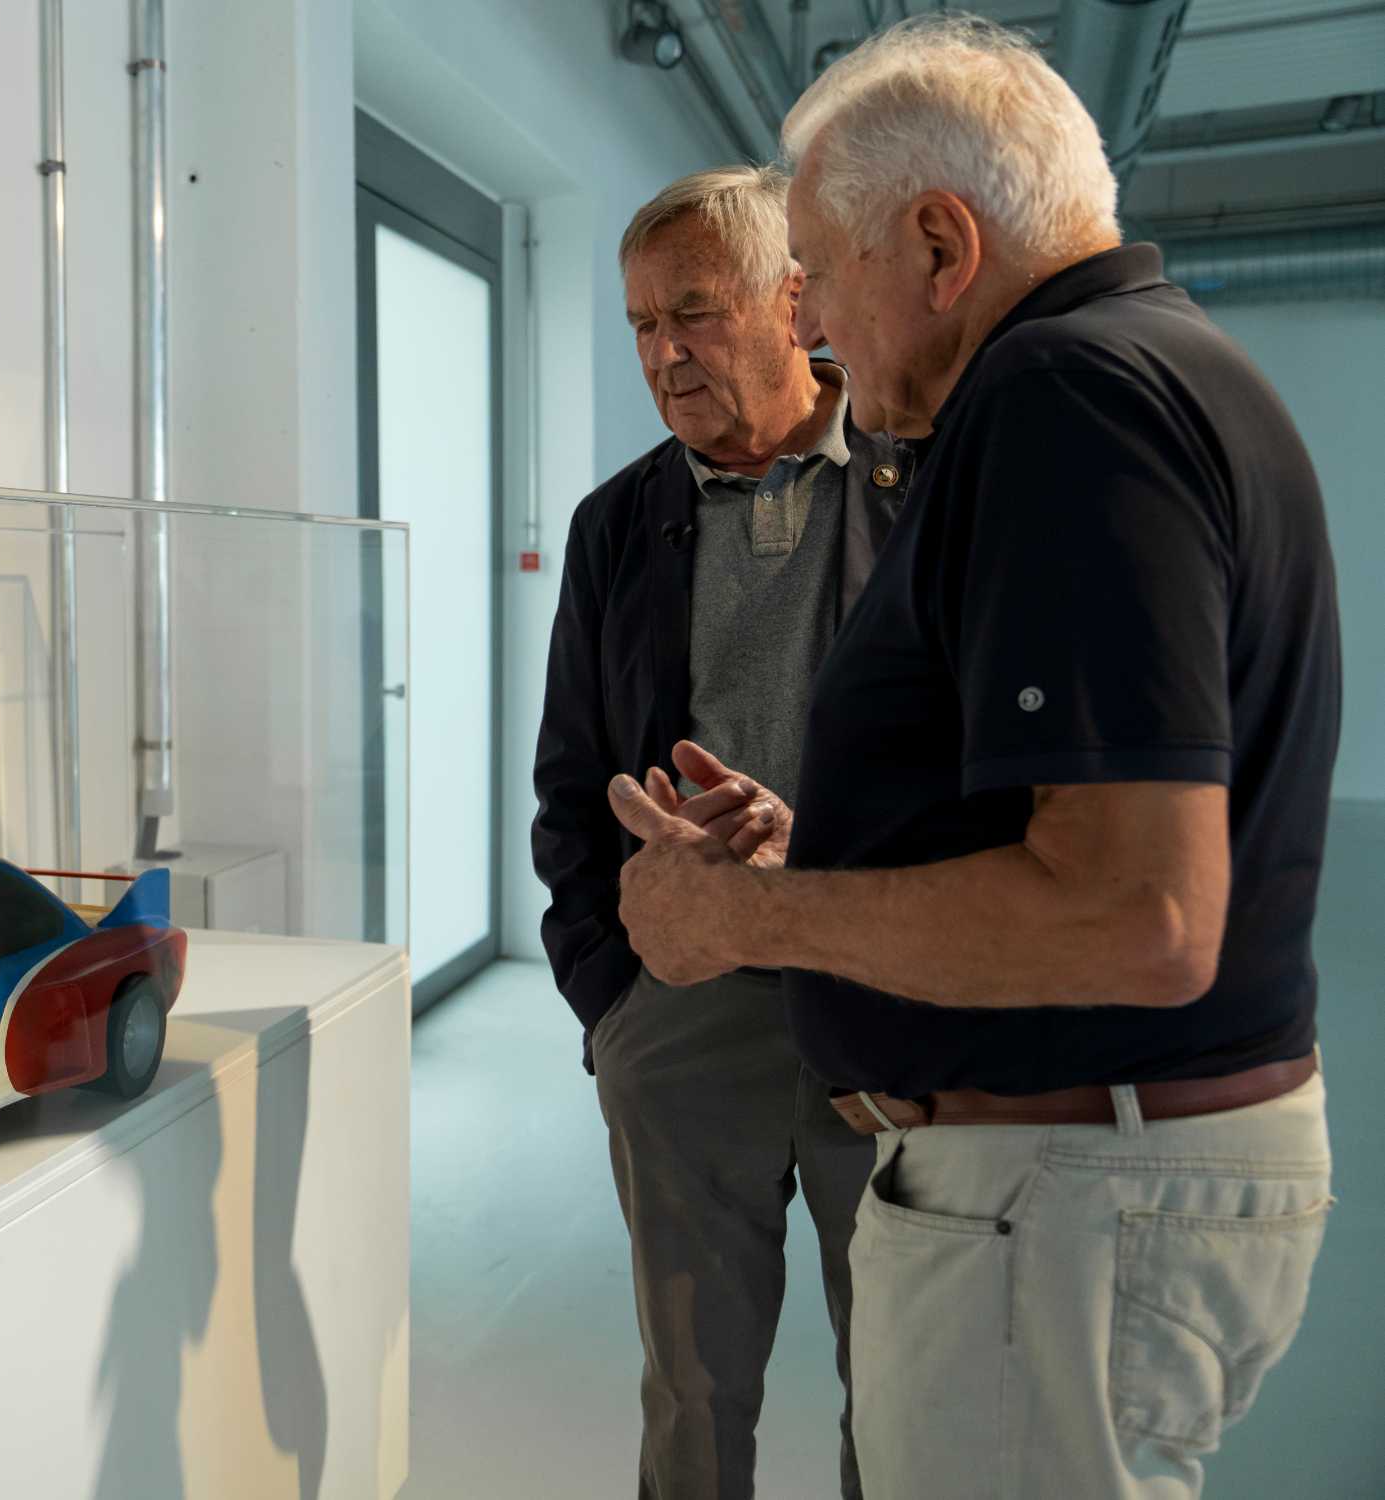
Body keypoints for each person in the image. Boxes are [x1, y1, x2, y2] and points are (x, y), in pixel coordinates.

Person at [604, 18, 1340, 1500]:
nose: (810, 323)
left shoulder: (1061, 399)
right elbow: (1065, 825)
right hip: (1078, 1196)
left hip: (1059, 1207)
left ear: (939, 244)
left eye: (816, 268)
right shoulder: (1148, 369)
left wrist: (750, 918)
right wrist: (818, 853)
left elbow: (1135, 916)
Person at [531, 164, 908, 1500]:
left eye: (692, 311)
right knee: (690, 1393)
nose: (662, 352)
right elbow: (572, 784)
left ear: (795, 300)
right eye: (639, 323)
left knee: (907, 1385)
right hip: (684, 1016)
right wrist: (611, 1005)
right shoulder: (615, 524)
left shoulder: (923, 483)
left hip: (887, 996)